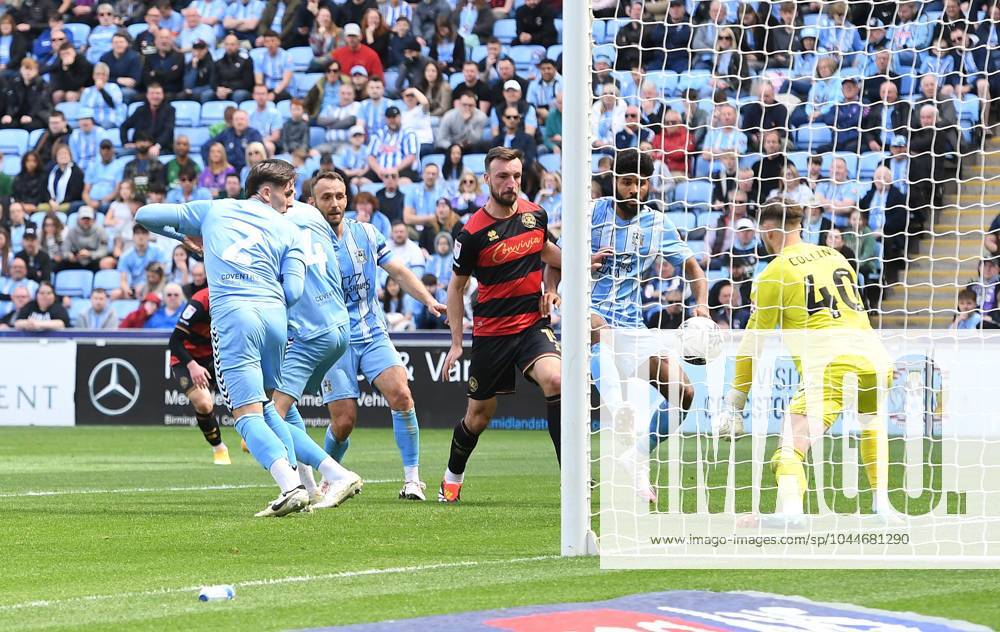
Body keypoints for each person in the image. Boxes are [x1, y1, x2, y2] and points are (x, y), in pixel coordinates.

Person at [135, 159, 314, 517]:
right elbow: (293, 291)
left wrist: (181, 236)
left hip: (236, 315)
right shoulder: (291, 229)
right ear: (266, 192)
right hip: (276, 319)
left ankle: (289, 485)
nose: (291, 200)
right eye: (287, 192)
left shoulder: (216, 209)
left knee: (246, 414)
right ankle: (306, 482)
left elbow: (146, 213)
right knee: (268, 405)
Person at [718, 200, 892, 521]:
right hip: (875, 358)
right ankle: (882, 504)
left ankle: (791, 513)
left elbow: (751, 345)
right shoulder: (836, 255)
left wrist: (734, 405)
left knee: (790, 448)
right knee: (871, 423)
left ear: (768, 232)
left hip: (830, 365)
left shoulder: (774, 273)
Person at [439, 147, 563, 502]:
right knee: (478, 417)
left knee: (556, 379)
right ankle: (452, 476)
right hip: (492, 333)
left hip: (531, 326)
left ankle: (572, 478)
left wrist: (552, 290)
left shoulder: (535, 216)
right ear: (487, 180)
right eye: (503, 177)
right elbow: (456, 288)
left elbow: (556, 258)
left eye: (517, 176)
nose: (512, 184)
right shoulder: (472, 233)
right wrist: (457, 343)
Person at [586, 148, 709, 502]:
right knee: (600, 331)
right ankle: (621, 417)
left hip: (633, 325)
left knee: (684, 393)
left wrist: (701, 305)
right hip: (590, 311)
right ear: (615, 183)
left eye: (641, 184)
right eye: (627, 182)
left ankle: (636, 456)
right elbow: (557, 260)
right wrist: (556, 287)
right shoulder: (592, 213)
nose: (634, 190)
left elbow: (694, 271)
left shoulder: (657, 224)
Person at [320, 169, 446, 500]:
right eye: (327, 197)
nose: (335, 203)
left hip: (373, 332)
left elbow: (399, 271)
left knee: (402, 396)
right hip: (333, 341)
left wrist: (429, 299)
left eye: (340, 196)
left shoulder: (367, 233)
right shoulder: (304, 243)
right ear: (311, 202)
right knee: (344, 422)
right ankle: (330, 476)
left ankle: (412, 480)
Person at [167, 285, 231, 464]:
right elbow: (174, 341)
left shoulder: (237, 300)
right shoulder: (199, 303)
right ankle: (218, 447)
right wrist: (193, 366)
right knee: (204, 404)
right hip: (187, 358)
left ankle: (251, 439)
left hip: (217, 356)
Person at [120, 83, 175, 153]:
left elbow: (168, 130)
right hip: (140, 148)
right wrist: (125, 143)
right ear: (147, 95)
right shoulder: (140, 110)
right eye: (152, 93)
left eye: (158, 93)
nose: (155, 96)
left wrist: (157, 146)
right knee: (121, 154)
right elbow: (124, 126)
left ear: (163, 95)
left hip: (162, 148)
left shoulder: (170, 110)